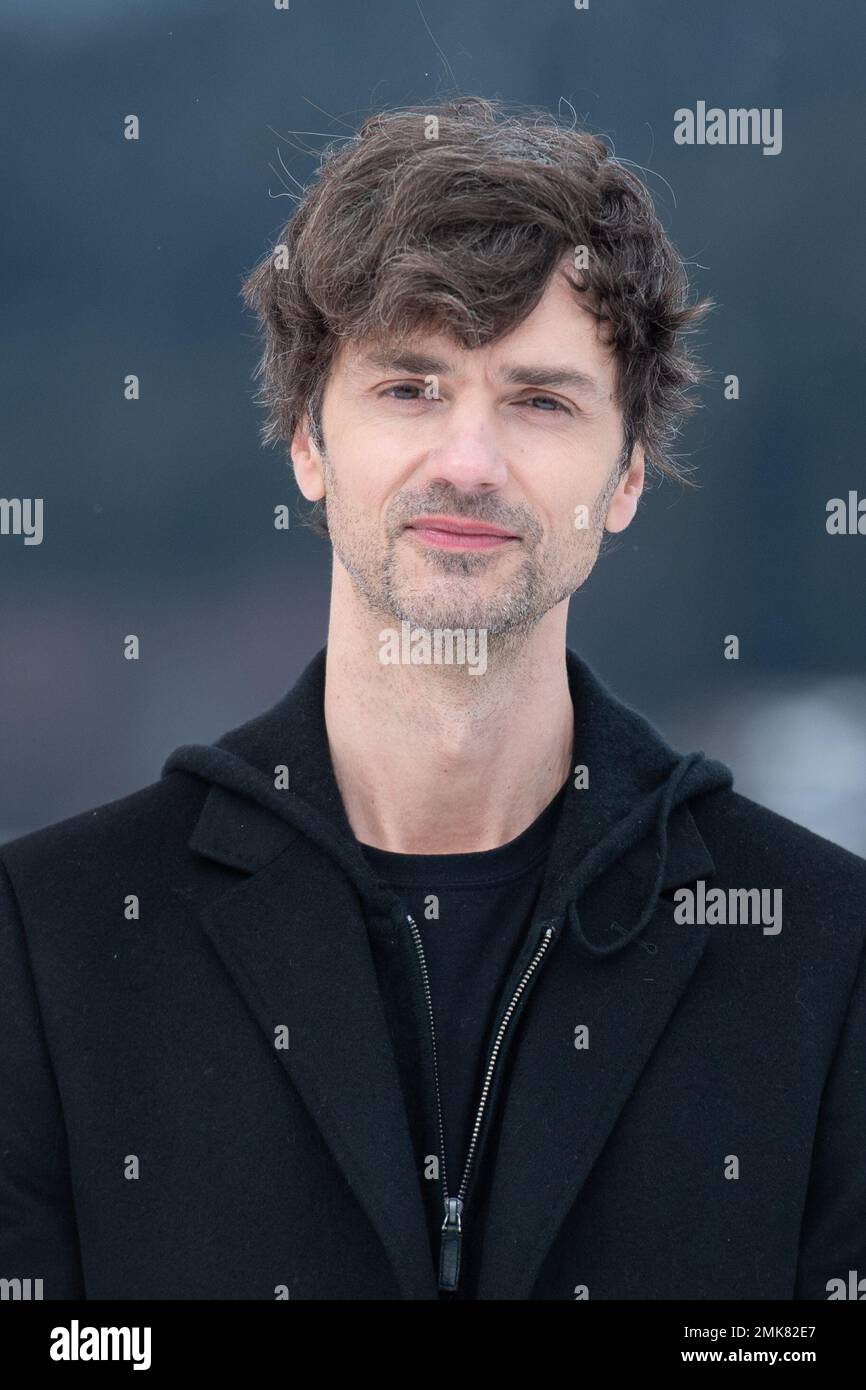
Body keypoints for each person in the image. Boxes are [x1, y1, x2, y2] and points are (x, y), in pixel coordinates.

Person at [2, 98, 864, 1302]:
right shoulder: (47, 943)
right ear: (308, 440)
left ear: (624, 476)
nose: (468, 459)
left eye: (538, 399)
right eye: (409, 386)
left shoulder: (823, 955)